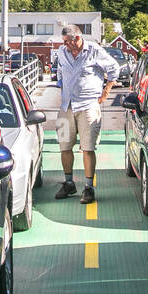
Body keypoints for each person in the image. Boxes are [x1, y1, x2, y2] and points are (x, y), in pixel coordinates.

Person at [52, 24, 119, 204]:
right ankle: (68, 183)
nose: (66, 45)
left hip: (88, 105)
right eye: (64, 42)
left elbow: (114, 68)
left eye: (68, 41)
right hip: (67, 106)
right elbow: (60, 71)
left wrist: (106, 92)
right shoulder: (62, 51)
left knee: (87, 148)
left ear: (77, 38)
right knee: (64, 146)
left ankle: (88, 187)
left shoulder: (94, 50)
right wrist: (62, 87)